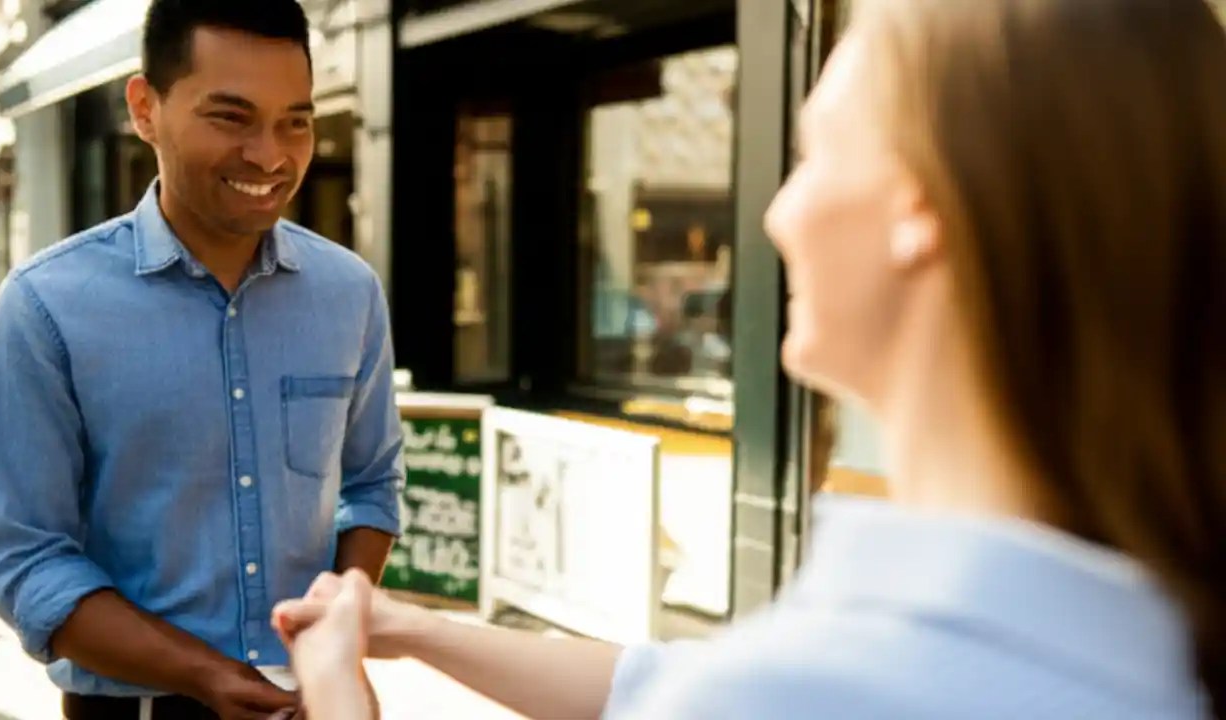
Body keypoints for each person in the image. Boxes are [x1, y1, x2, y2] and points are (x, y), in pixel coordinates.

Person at [273, 0, 1226, 718]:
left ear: (921, 208)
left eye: (812, 155)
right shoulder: (1143, 637)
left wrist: (334, 689)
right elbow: (661, 685)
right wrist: (415, 629)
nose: (776, 215)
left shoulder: (807, 688)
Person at [0, 1, 404, 718]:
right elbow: (19, 555)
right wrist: (205, 676)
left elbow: (372, 481)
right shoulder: (46, 304)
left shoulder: (349, 292)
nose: (270, 155)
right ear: (145, 108)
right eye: (230, 117)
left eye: (295, 119)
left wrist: (343, 624)